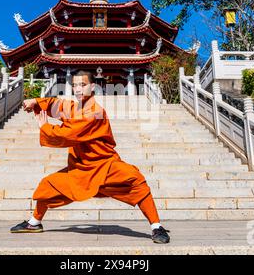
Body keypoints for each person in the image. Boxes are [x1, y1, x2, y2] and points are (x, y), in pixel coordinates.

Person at [10, 70, 170, 244]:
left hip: (105, 165)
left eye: (83, 85)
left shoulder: (94, 112)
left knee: (136, 180)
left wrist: (45, 127)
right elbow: (56, 103)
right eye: (75, 85)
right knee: (48, 185)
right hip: (80, 168)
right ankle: (34, 223)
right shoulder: (73, 107)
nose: (78, 89)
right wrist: (36, 102)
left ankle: (156, 226)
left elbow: (69, 134)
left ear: (93, 87)